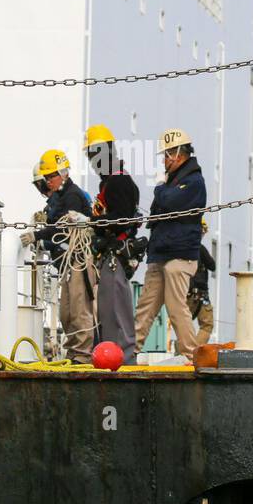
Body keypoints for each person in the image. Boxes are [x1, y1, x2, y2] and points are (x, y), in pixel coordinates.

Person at [134, 128, 206, 359]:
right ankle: (129, 351)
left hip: (180, 254)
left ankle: (190, 355)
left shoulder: (194, 182)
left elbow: (168, 201)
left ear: (177, 154)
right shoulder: (175, 181)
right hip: (161, 252)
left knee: (176, 307)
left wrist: (160, 187)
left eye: (166, 155)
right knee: (146, 307)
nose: (164, 160)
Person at [84, 125, 140, 363]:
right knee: (107, 311)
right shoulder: (109, 183)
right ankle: (110, 357)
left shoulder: (119, 182)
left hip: (117, 253)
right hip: (108, 255)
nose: (92, 161)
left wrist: (93, 222)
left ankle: (124, 359)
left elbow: (122, 218)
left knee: (117, 310)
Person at [35, 149, 96, 364]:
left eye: (50, 176)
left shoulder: (72, 195)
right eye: (46, 178)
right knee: (66, 312)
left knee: (79, 309)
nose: (48, 182)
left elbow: (62, 228)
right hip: (69, 262)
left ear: (62, 173)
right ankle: (73, 352)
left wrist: (38, 236)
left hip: (79, 259)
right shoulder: (61, 197)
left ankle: (82, 354)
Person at [188, 219, 216, 346]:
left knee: (183, 324)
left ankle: (182, 350)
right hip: (199, 293)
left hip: (184, 292)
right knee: (207, 325)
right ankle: (193, 351)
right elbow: (212, 265)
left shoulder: (182, 248)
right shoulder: (200, 248)